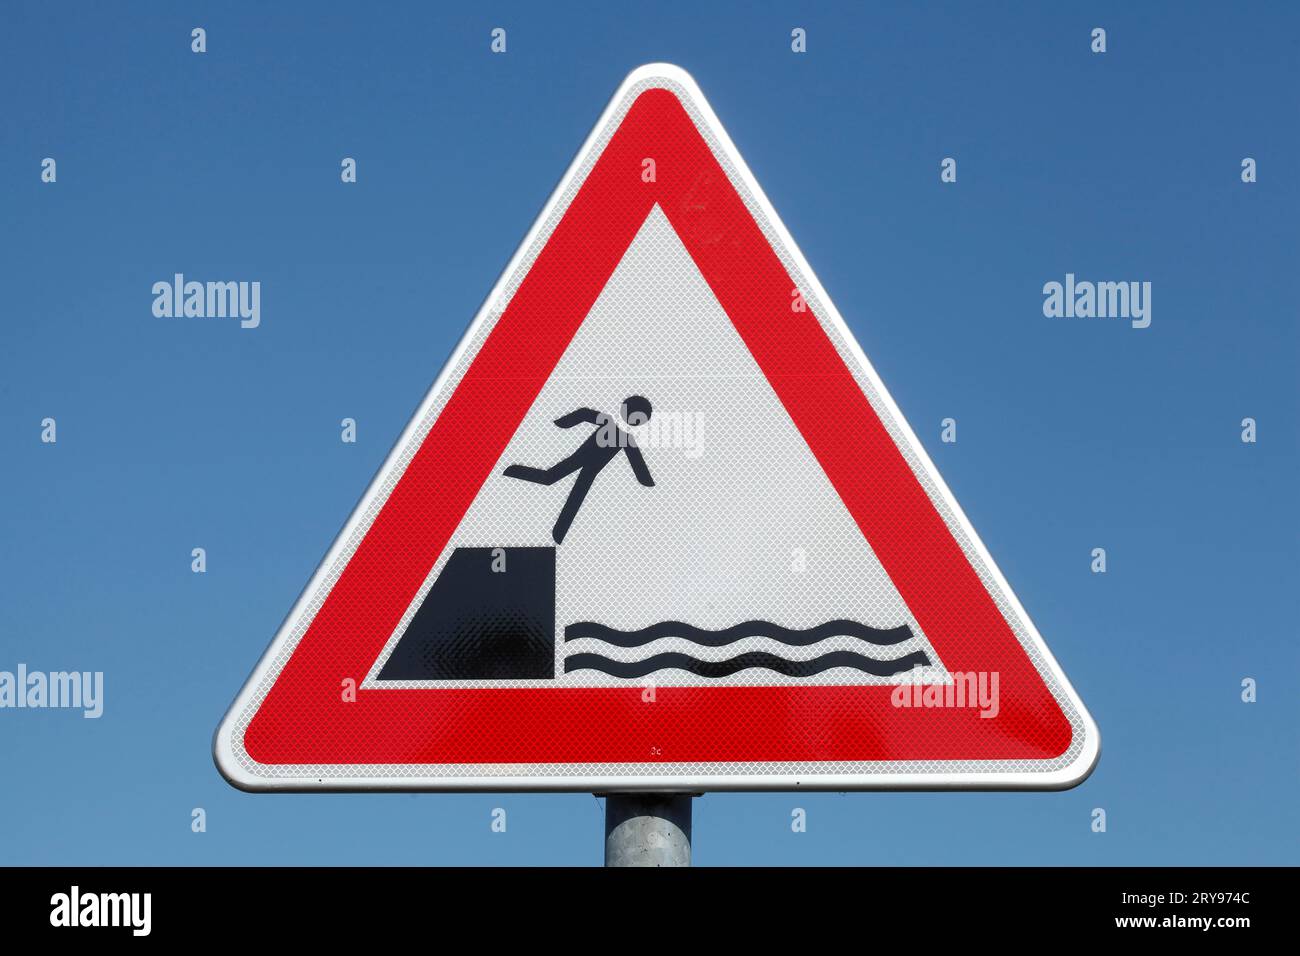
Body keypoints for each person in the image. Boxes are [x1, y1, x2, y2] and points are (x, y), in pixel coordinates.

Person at [504, 396, 655, 544]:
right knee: (549, 478)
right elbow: (583, 414)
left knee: (573, 496)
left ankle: (559, 533)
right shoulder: (609, 423)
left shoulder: (626, 438)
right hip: (578, 459)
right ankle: (512, 471)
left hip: (591, 469)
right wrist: (561, 423)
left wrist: (647, 481)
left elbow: (637, 464)